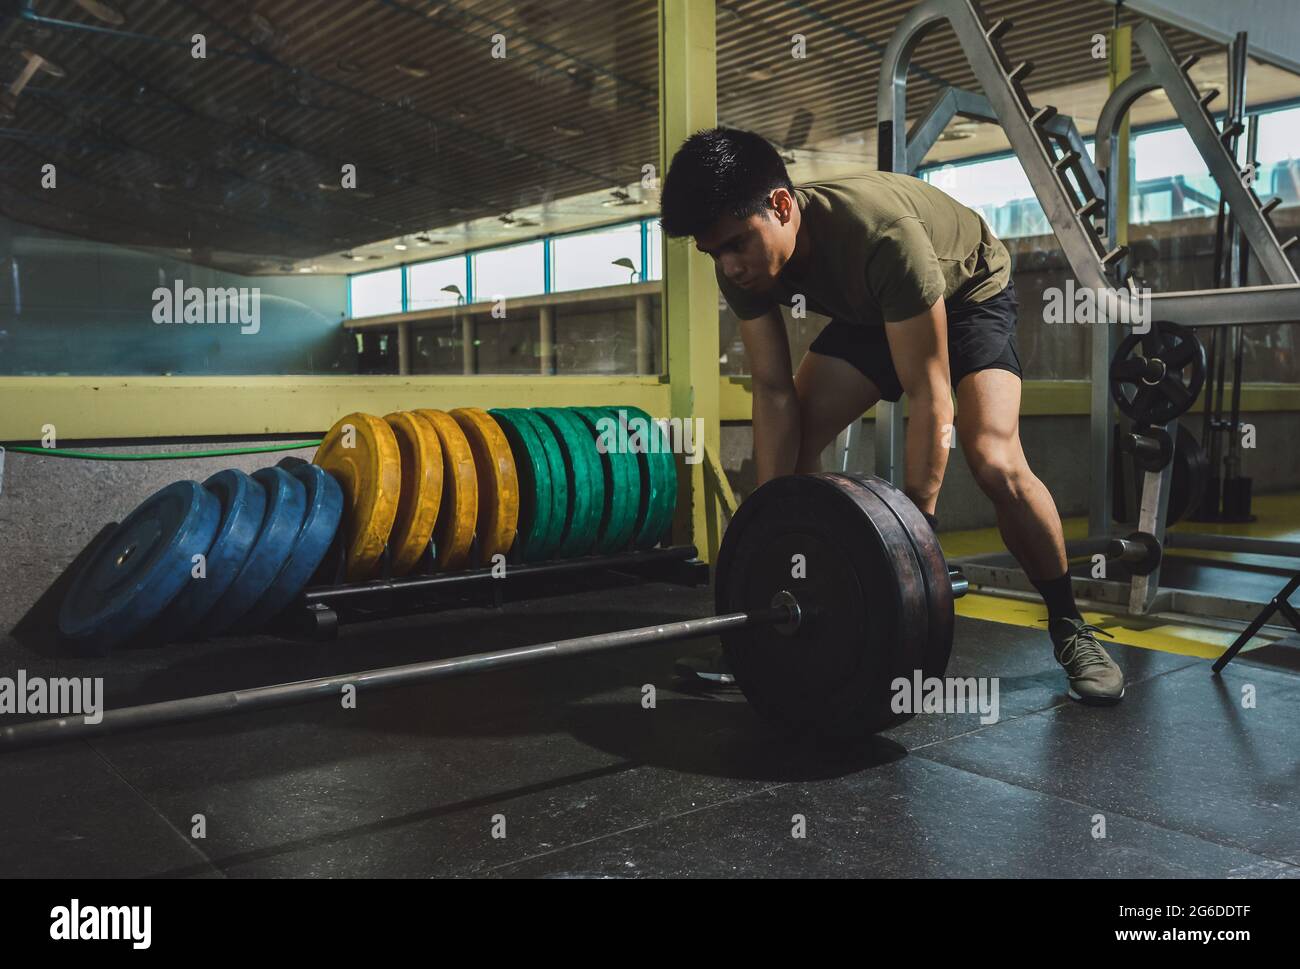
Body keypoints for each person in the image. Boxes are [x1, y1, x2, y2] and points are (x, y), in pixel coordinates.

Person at [658, 127, 1123, 705]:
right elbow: (774, 391)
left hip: (969, 293)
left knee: (994, 458)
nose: (729, 267)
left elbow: (929, 393)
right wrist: (771, 533)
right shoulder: (743, 262)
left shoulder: (880, 234)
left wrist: (912, 547)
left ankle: (1070, 625)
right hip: (875, 309)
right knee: (793, 453)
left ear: (780, 205)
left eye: (735, 245)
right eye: (713, 253)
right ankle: (774, 627)